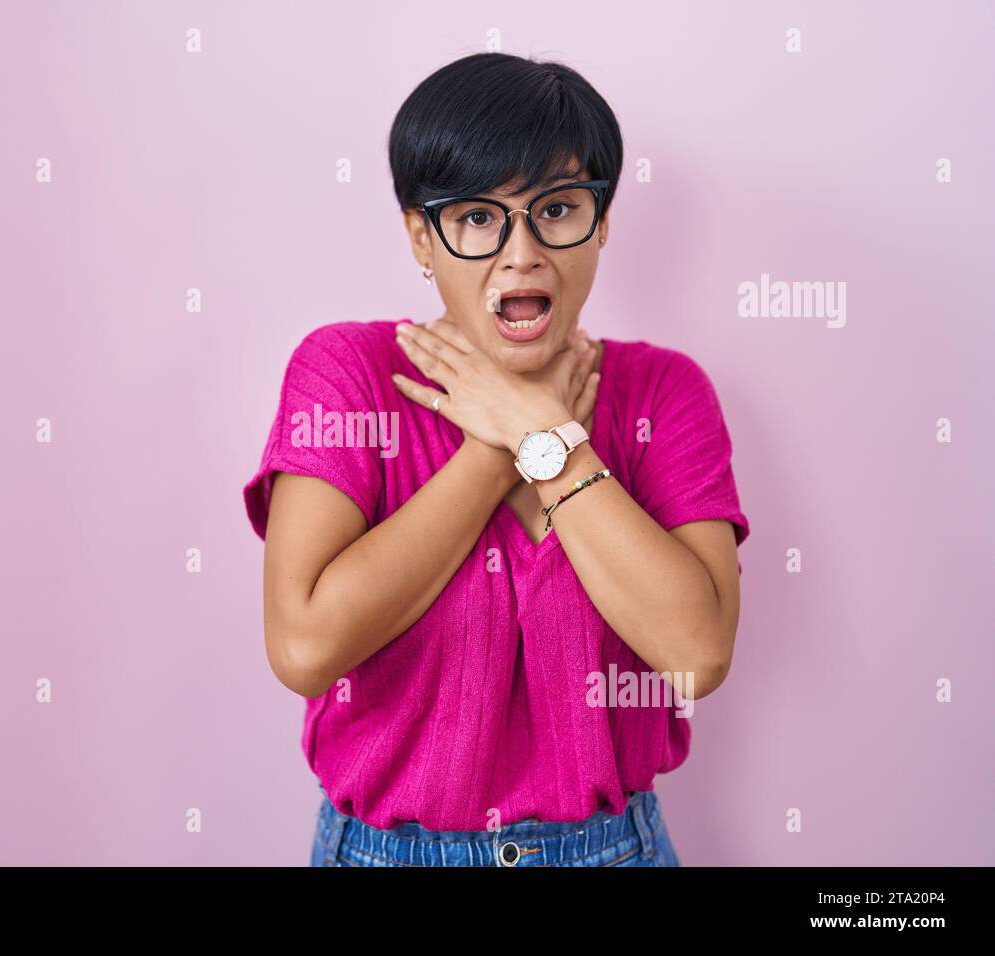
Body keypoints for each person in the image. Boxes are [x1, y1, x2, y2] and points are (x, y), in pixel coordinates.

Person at [243, 52, 750, 867]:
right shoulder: (346, 374)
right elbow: (304, 648)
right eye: (477, 218)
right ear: (420, 235)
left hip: (612, 851)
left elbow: (696, 652)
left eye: (556, 209)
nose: (521, 254)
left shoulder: (664, 392)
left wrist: (546, 444)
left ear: (602, 218)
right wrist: (496, 445)